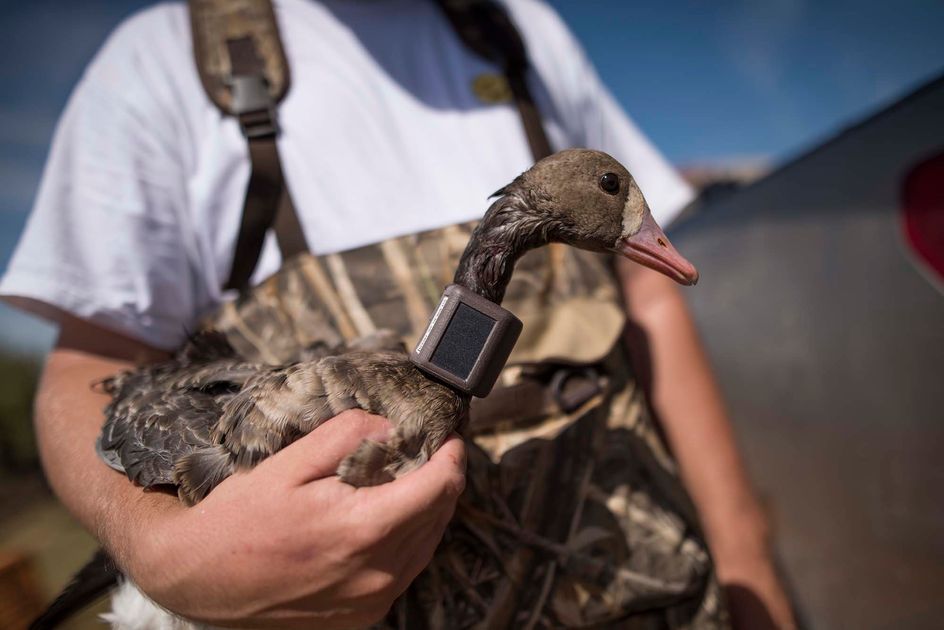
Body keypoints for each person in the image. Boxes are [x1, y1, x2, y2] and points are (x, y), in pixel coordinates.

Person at [2, 0, 795, 627]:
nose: (641, 226)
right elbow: (90, 371)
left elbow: (648, 301)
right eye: (622, 201)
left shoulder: (517, 27)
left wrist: (746, 564)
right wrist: (163, 553)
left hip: (656, 599)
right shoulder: (162, 60)